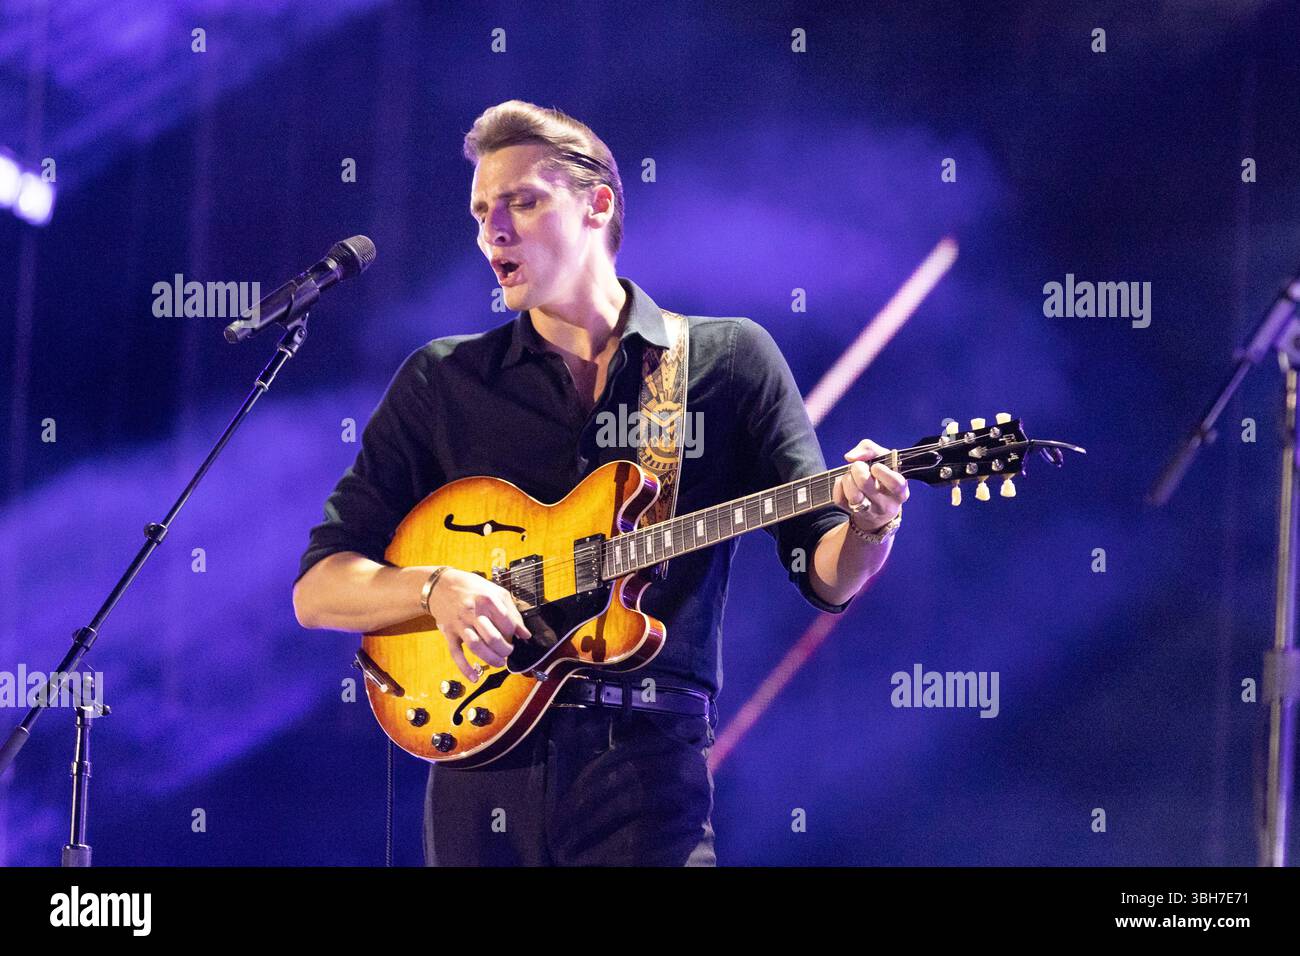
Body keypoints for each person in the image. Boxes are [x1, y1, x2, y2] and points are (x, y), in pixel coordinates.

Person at [291, 100, 907, 866]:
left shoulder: (729, 361)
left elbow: (826, 575)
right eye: (482, 212)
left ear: (599, 204)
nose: (494, 230)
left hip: (646, 770)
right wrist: (435, 589)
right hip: (480, 773)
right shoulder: (443, 380)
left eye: (522, 201)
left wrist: (871, 525)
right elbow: (319, 588)